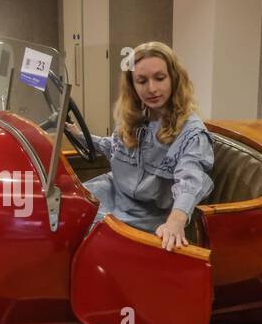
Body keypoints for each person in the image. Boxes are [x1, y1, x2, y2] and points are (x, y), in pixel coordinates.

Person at [84, 42, 215, 251]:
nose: (151, 89)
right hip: (113, 194)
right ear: (132, 85)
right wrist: (80, 136)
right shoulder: (134, 118)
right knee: (62, 208)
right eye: (142, 81)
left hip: (144, 217)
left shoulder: (191, 133)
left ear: (174, 79)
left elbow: (191, 180)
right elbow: (116, 148)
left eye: (160, 78)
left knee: (81, 236)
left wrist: (176, 220)